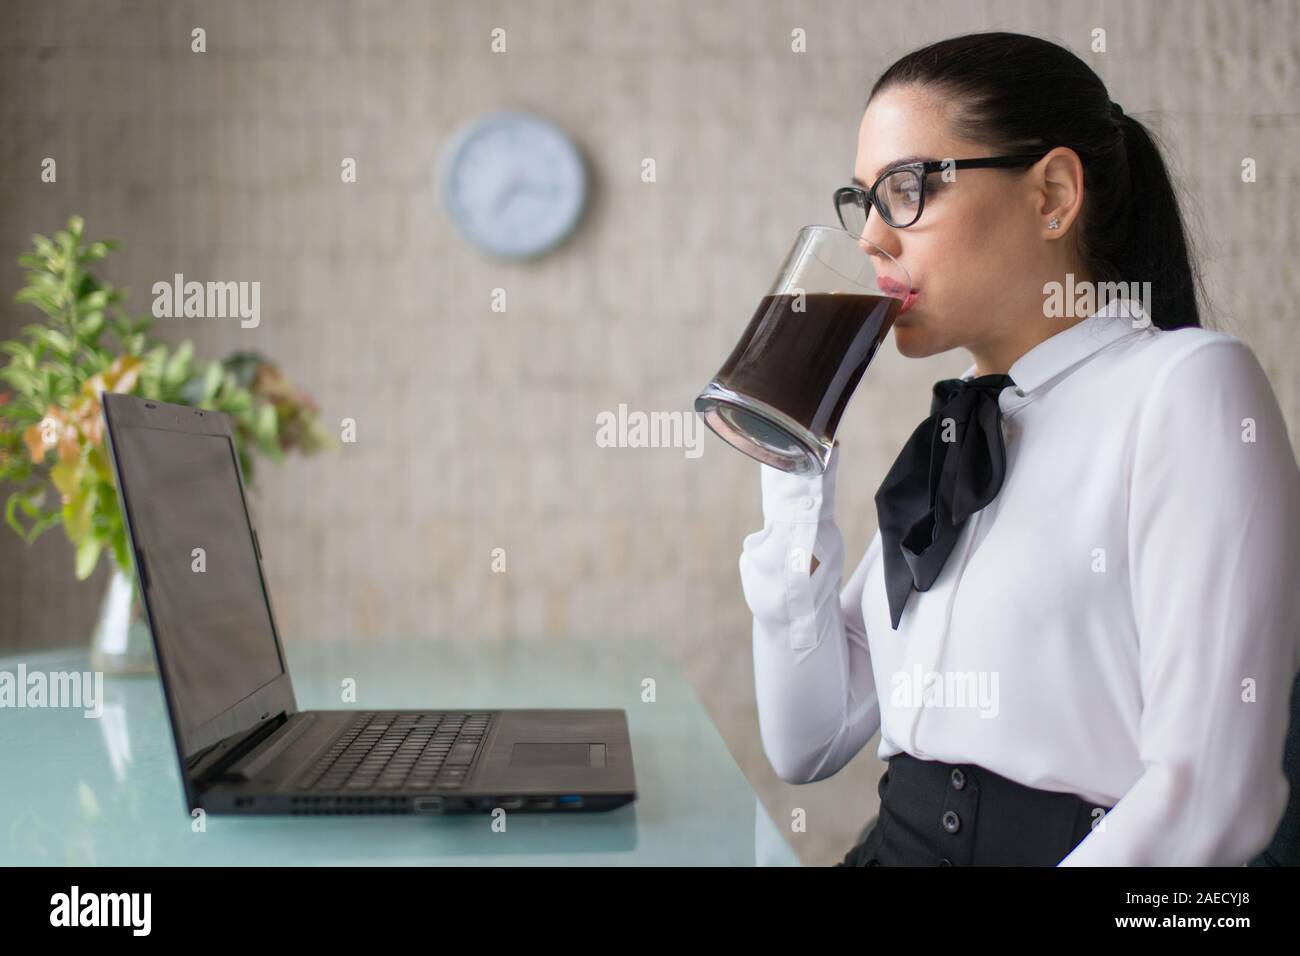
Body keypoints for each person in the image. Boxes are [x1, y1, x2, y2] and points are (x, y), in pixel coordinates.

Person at [737, 31, 1300, 866]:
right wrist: (793, 471)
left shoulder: (1188, 388)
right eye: (865, 199)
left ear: (1053, 194)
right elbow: (806, 743)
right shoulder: (951, 441)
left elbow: (1211, 798)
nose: (872, 241)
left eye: (907, 188)